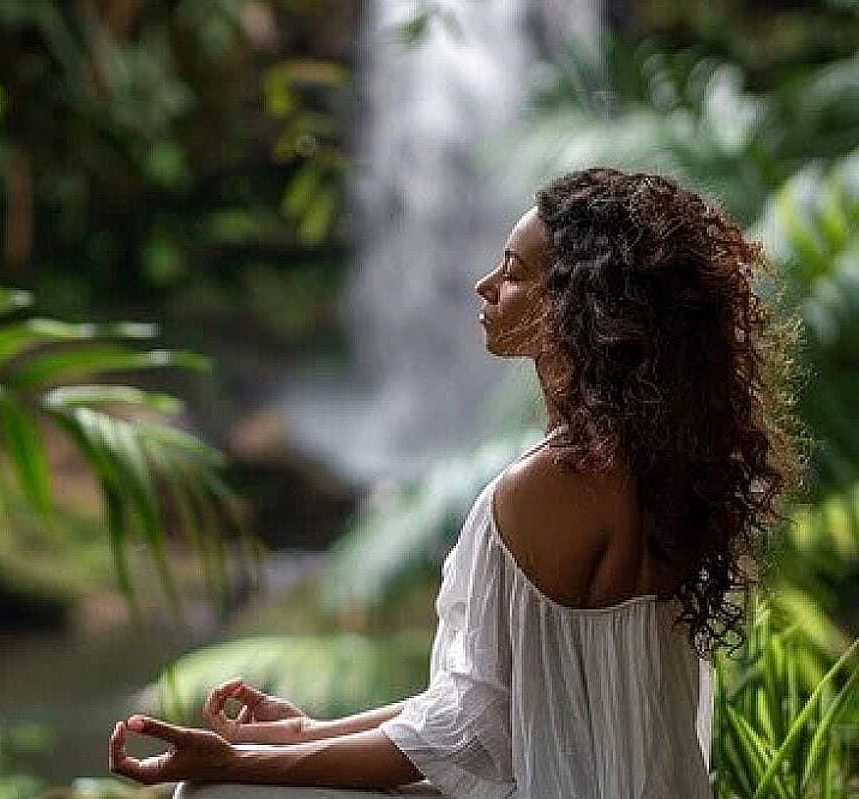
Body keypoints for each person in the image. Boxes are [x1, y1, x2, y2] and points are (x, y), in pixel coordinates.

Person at [107, 167, 802, 799]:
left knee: (215, 797)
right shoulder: (659, 466)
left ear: (575, 306)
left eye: (513, 272)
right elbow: (489, 703)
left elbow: (471, 733)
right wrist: (307, 733)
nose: (484, 286)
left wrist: (236, 764)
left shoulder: (551, 485)